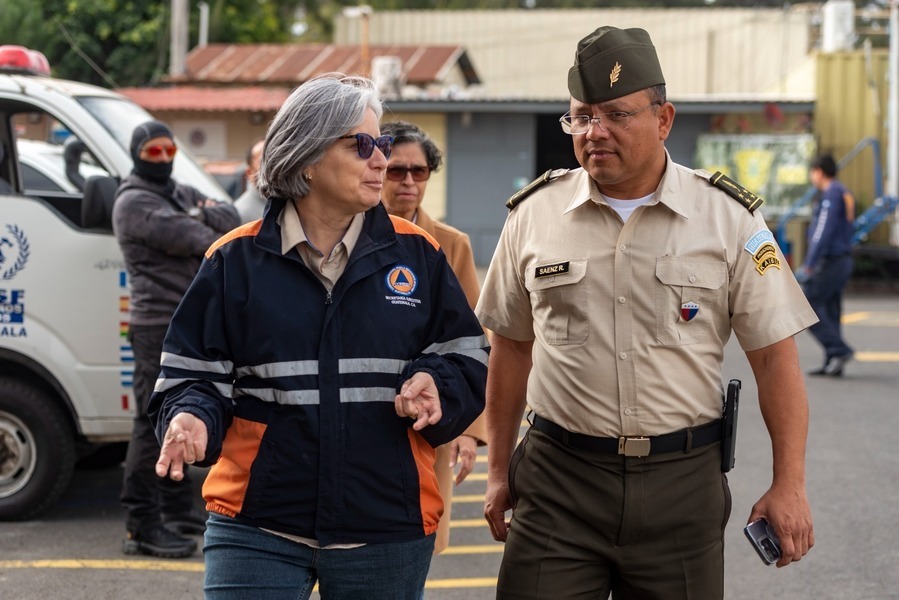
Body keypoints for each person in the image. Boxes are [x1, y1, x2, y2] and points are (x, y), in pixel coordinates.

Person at [476, 26, 817, 599]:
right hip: (559, 483)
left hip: (681, 490)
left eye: (616, 115)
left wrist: (790, 484)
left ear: (664, 119)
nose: (595, 132)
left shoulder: (729, 219)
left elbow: (775, 359)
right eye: (581, 116)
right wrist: (496, 470)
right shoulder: (533, 215)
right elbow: (510, 347)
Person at [148, 74, 488, 599]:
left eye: (382, 145)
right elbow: (192, 373)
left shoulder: (420, 255)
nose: (381, 160)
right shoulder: (233, 260)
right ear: (305, 157)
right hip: (255, 525)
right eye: (362, 145)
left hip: (386, 526)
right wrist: (190, 414)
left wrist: (437, 383)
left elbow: (467, 355)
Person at [112, 119, 240, 559]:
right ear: (137, 154)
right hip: (154, 326)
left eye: (169, 151)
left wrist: (198, 212)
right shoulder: (133, 202)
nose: (164, 159)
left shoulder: (176, 194)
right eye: (153, 152)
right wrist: (200, 215)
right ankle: (141, 527)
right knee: (152, 428)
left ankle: (174, 509)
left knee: (177, 418)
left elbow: (228, 217)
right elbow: (201, 236)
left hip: (186, 324)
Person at [379, 120, 487, 556]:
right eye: (396, 170)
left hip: (426, 417)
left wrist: (468, 428)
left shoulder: (449, 244)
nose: (408, 181)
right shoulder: (344, 234)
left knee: (415, 542)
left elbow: (474, 342)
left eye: (419, 171)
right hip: (361, 410)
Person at [796, 153, 855, 376]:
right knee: (831, 309)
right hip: (843, 259)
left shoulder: (830, 194)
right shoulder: (844, 191)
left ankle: (839, 349)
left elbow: (823, 230)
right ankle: (833, 360)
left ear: (819, 172)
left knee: (808, 305)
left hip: (830, 259)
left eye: (812, 172)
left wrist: (809, 263)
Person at [233, 138, 266, 223]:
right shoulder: (240, 213)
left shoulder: (292, 203)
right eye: (263, 161)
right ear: (249, 173)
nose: (271, 165)